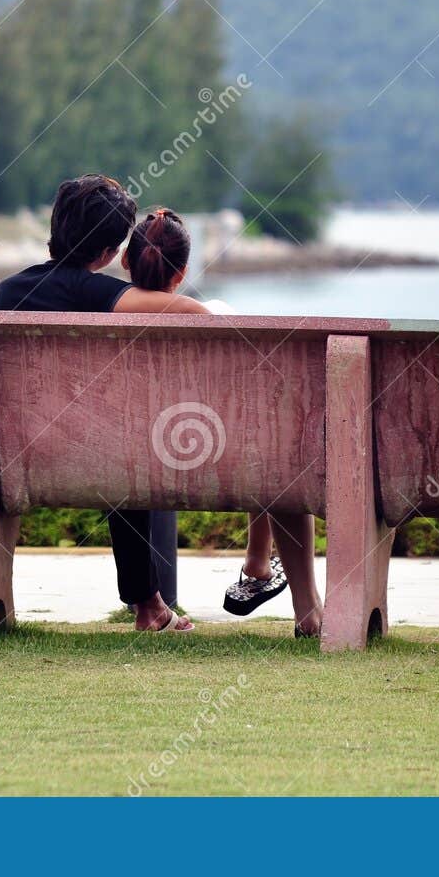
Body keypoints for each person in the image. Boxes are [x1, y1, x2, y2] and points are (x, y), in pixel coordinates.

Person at [0, 176, 207, 632]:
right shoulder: (95, 294)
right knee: (120, 451)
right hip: (95, 462)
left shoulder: (8, 292)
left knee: (111, 443)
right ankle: (149, 608)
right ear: (111, 254)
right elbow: (192, 313)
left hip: (14, 457)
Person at [121, 207, 324, 638]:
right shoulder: (210, 312)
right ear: (182, 271)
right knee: (275, 445)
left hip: (127, 465)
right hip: (220, 463)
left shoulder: (100, 315)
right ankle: (298, 602)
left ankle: (257, 561)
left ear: (125, 263)